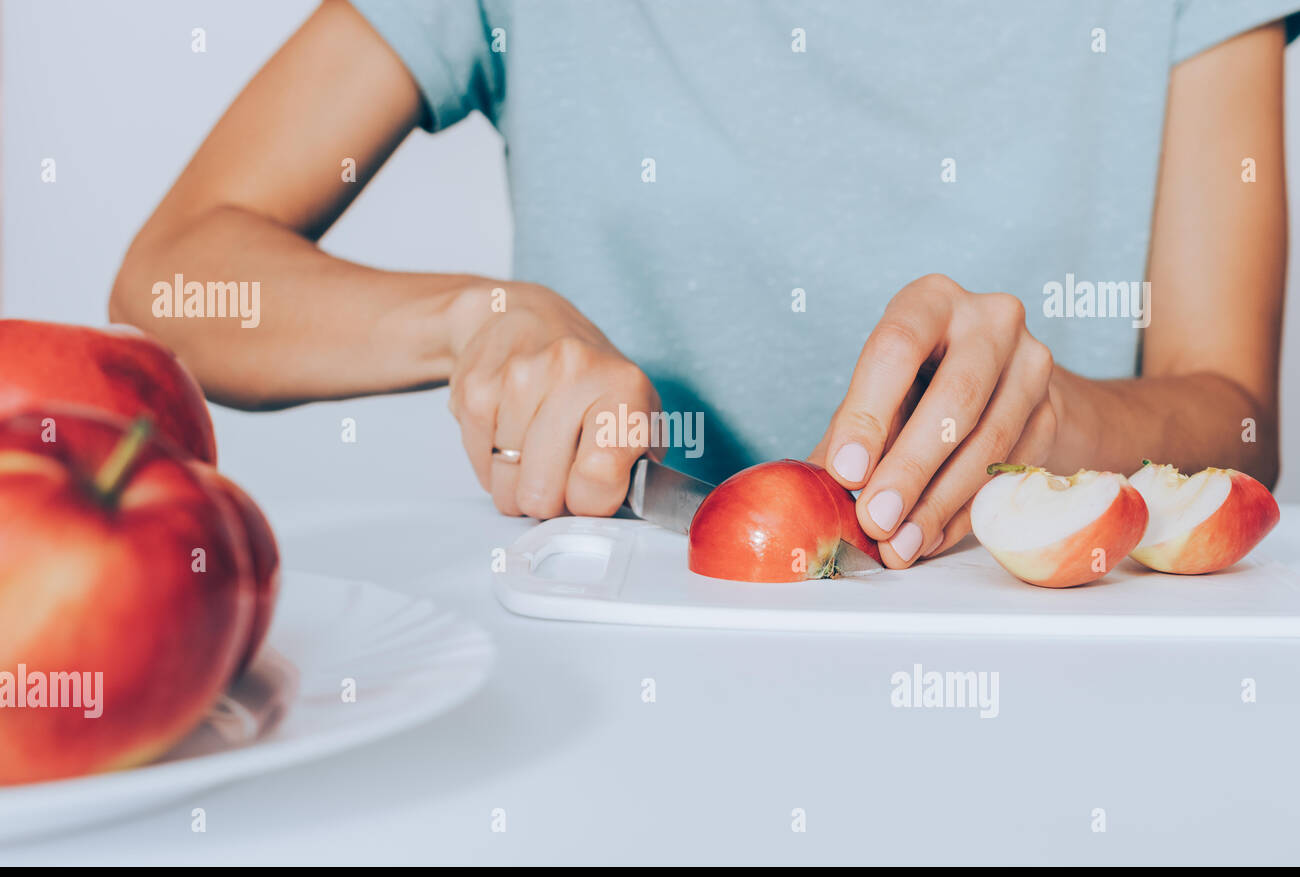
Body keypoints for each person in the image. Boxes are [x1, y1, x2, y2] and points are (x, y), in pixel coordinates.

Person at [110, 0, 1294, 568]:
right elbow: (175, 272)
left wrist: (1066, 421)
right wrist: (479, 324)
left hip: (1045, 689)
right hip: (608, 677)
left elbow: (1237, 415)